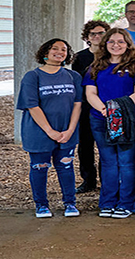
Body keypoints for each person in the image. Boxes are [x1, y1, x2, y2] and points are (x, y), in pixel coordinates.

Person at [83, 28, 135, 219]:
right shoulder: (96, 66)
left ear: (128, 44)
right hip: (100, 119)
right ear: (105, 44)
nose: (116, 45)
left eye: (120, 41)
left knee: (127, 163)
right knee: (108, 162)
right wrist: (105, 110)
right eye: (111, 41)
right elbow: (90, 93)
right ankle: (107, 202)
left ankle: (127, 204)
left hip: (128, 120)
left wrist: (118, 110)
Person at [17, 39, 83, 218]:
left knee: (66, 167)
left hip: (66, 131)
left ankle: (70, 203)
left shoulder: (73, 76)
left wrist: (70, 130)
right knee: (40, 168)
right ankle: (41, 205)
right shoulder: (33, 76)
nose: (60, 52)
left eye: (64, 49)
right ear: (45, 52)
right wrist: (50, 131)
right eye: (55, 48)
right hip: (39, 132)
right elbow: (32, 106)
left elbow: (77, 104)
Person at [72, 20, 110, 194]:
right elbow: (77, 82)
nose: (97, 36)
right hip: (85, 106)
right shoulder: (79, 57)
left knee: (106, 144)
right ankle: (88, 180)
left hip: (107, 105)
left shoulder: (112, 55)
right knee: (85, 144)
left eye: (101, 33)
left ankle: (106, 179)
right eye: (92, 34)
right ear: (87, 37)